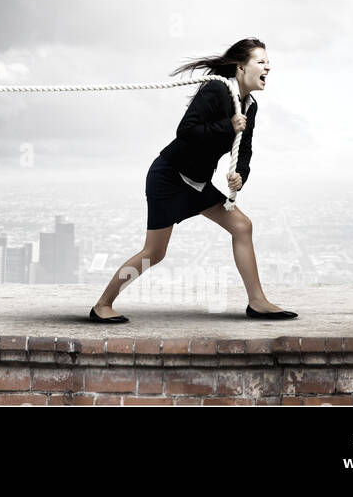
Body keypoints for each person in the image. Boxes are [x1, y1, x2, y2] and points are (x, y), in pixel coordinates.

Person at [89, 38, 296, 322]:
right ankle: (102, 305)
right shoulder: (215, 89)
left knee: (242, 226)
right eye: (261, 62)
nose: (268, 67)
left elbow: (244, 150)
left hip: (197, 183)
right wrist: (228, 125)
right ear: (240, 67)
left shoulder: (250, 106)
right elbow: (186, 131)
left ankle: (257, 302)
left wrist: (240, 176)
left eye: (268, 62)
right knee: (154, 252)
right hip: (169, 177)